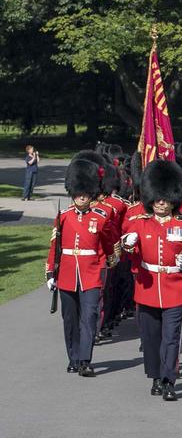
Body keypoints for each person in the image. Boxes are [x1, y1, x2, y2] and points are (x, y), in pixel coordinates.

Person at [120, 159, 182, 401]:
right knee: (151, 337)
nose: (161, 203)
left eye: (165, 198)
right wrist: (127, 244)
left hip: (175, 286)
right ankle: (155, 375)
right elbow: (127, 251)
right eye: (157, 198)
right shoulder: (139, 222)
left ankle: (168, 380)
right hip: (147, 285)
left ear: (173, 197)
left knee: (171, 337)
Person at [45, 156, 116, 377]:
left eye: (84, 192)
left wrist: (107, 262)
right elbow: (54, 246)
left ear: (91, 192)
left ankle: (85, 360)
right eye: (77, 192)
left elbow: (108, 243)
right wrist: (50, 271)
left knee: (89, 317)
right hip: (66, 273)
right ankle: (73, 358)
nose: (81, 196)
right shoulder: (63, 217)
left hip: (91, 273)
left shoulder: (101, 217)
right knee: (70, 319)